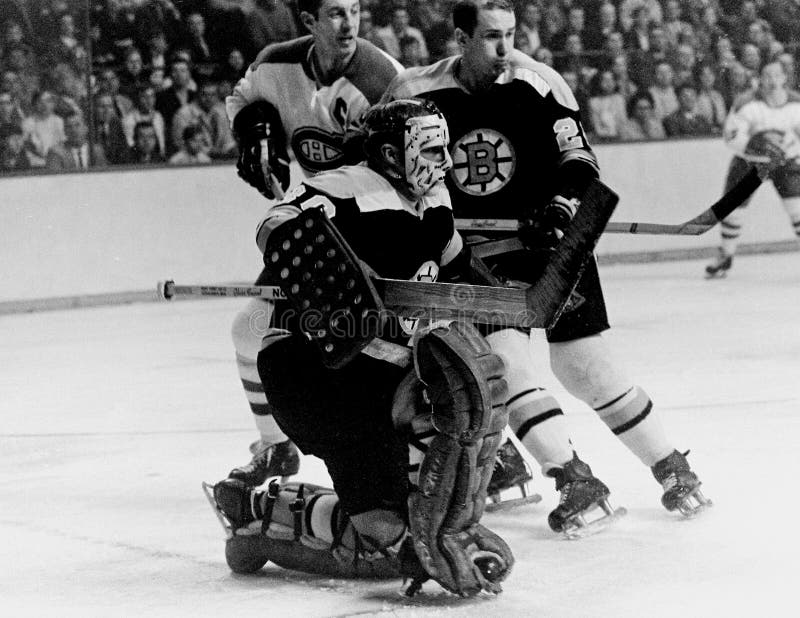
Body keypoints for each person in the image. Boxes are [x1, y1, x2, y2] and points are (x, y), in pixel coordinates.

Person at [381, 0, 710, 533]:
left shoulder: (540, 83)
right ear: (461, 38)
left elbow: (579, 161)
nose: (505, 48)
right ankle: (574, 477)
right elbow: (389, 166)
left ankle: (672, 466)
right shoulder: (414, 93)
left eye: (510, 34)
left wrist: (559, 204)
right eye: (491, 37)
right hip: (474, 258)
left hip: (551, 247)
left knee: (588, 368)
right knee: (507, 364)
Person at [209, 99, 513, 596]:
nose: (447, 161)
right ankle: (260, 515)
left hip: (379, 369)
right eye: (433, 149)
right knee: (383, 540)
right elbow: (277, 224)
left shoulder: (433, 196)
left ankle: (416, 518)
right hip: (315, 372)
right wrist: (338, 277)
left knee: (473, 396)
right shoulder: (348, 186)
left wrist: (516, 298)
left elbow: (455, 265)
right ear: (393, 154)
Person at [223, 0, 403, 488]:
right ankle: (277, 448)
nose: (349, 25)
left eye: (354, 11)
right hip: (320, 229)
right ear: (309, 23)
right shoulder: (275, 64)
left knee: (390, 345)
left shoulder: (382, 79)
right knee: (250, 331)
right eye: (335, 14)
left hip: (378, 228)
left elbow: (404, 171)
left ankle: (493, 453)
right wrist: (255, 134)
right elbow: (241, 99)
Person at [706, 61, 800, 277]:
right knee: (733, 210)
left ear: (785, 78)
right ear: (760, 78)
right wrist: (755, 146)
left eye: (777, 75)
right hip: (750, 162)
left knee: (798, 211)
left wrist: (790, 148)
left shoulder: (797, 104)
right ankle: (725, 256)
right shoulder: (746, 103)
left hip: (785, 162)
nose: (772, 80)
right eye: (767, 76)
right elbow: (731, 136)